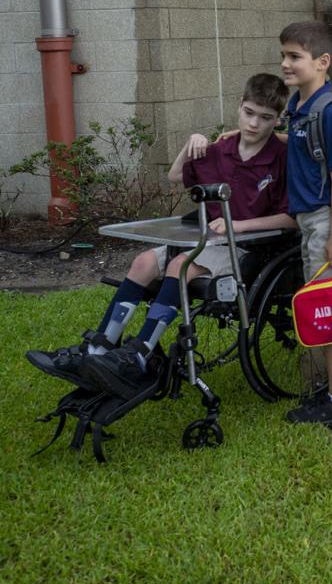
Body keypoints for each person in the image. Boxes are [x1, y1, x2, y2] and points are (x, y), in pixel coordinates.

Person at [26, 73, 294, 398]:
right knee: (142, 263)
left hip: (249, 246)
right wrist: (191, 144)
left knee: (180, 266)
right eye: (249, 113)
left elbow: (291, 219)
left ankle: (137, 356)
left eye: (265, 118)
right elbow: (175, 175)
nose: (254, 123)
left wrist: (237, 226)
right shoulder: (222, 148)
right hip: (209, 239)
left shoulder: (282, 158)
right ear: (240, 105)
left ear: (277, 120)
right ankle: (98, 349)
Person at [277, 20, 332, 428]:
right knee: (326, 310)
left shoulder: (329, 111)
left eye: (295, 56)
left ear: (322, 62)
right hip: (312, 222)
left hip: (330, 221)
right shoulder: (299, 107)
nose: (285, 63)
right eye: (283, 55)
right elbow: (296, 146)